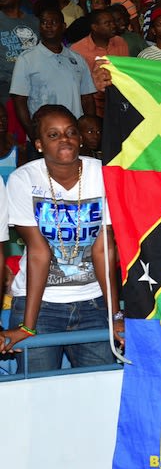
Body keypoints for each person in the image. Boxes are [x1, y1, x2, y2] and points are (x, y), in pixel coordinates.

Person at [0, 104, 123, 370]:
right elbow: (39, 253)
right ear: (40, 144)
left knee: (98, 390)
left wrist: (115, 315)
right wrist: (28, 327)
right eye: (53, 135)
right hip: (40, 304)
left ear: (79, 138)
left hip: (93, 302)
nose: (65, 139)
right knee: (36, 393)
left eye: (70, 132)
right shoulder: (23, 179)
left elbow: (104, 250)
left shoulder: (103, 174)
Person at [10, 8, 96, 141]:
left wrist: (88, 130)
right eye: (44, 22)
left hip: (73, 134)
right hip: (43, 135)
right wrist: (34, 135)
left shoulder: (77, 59)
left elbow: (87, 99)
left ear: (63, 27)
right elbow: (19, 101)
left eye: (54, 22)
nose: (48, 25)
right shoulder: (27, 59)